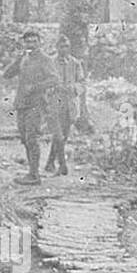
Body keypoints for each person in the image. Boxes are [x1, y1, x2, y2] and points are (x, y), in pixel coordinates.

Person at [4, 29, 59, 185]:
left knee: (31, 137)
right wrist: (18, 59)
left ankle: (35, 175)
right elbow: (6, 75)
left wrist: (36, 87)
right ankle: (31, 172)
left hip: (36, 104)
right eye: (28, 42)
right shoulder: (23, 58)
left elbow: (55, 79)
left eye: (34, 41)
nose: (31, 45)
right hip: (22, 103)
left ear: (39, 42)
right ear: (24, 43)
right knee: (24, 138)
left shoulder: (45, 59)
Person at [46, 35, 85, 176]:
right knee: (58, 135)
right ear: (57, 47)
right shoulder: (50, 62)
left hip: (70, 104)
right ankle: (62, 165)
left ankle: (50, 162)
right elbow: (44, 80)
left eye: (67, 46)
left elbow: (82, 82)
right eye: (61, 46)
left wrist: (74, 88)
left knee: (64, 135)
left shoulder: (75, 63)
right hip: (54, 103)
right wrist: (51, 88)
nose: (64, 49)